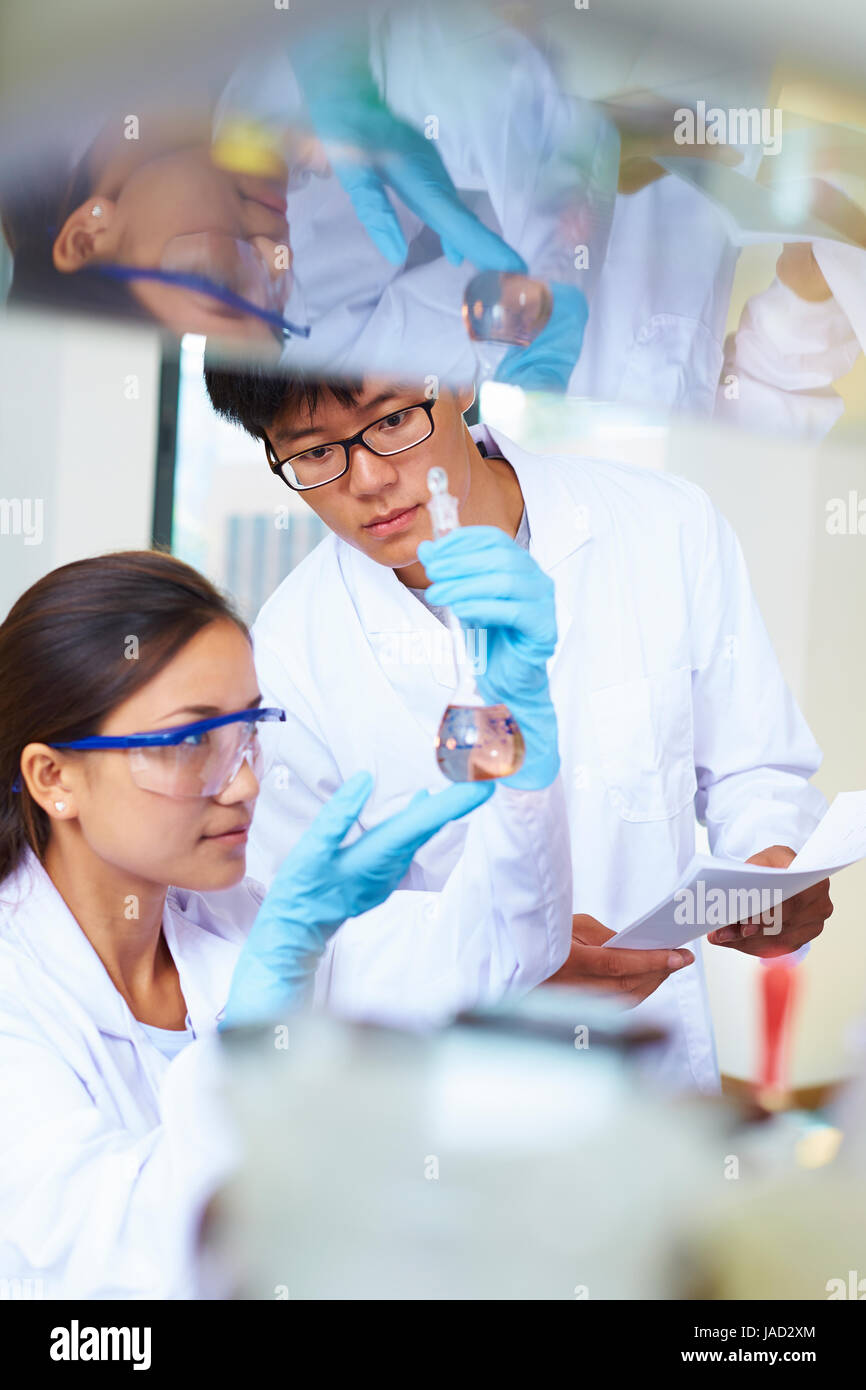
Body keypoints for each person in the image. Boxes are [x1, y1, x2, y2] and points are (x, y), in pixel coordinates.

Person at [204, 366, 835, 1091]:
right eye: (314, 454)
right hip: (452, 1099)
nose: (369, 481)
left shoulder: (664, 525)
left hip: (657, 1073)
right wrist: (494, 958)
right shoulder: (287, 653)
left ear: (461, 380)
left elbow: (755, 768)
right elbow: (295, 934)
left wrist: (774, 858)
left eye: (391, 422)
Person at [0, 551, 571, 1298]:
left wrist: (516, 738)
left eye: (248, 729)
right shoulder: (19, 997)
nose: (244, 782)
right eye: (186, 743)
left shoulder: (244, 924)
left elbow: (499, 952)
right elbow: (131, 1266)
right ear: (53, 778)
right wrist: (260, 1018)